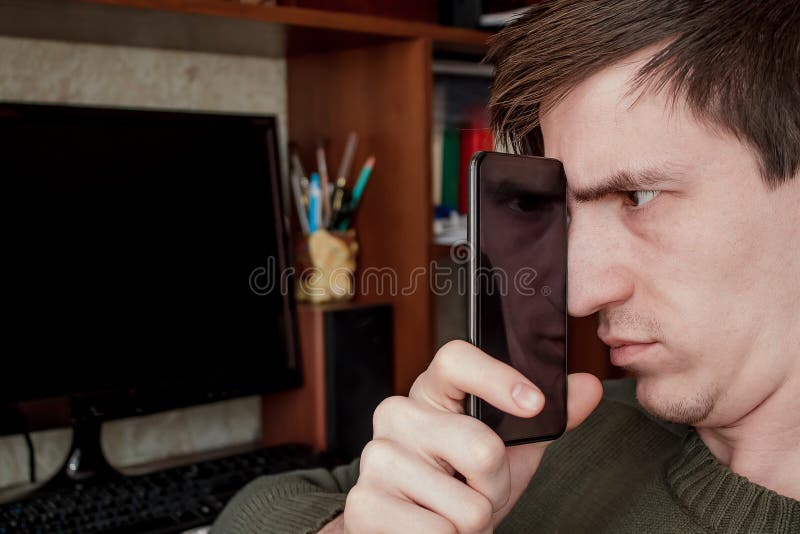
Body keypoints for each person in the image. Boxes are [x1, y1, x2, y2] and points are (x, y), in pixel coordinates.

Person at [213, 1, 800, 532]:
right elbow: (256, 508)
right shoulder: (567, 423)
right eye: (565, 215)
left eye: (638, 197)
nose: (580, 297)